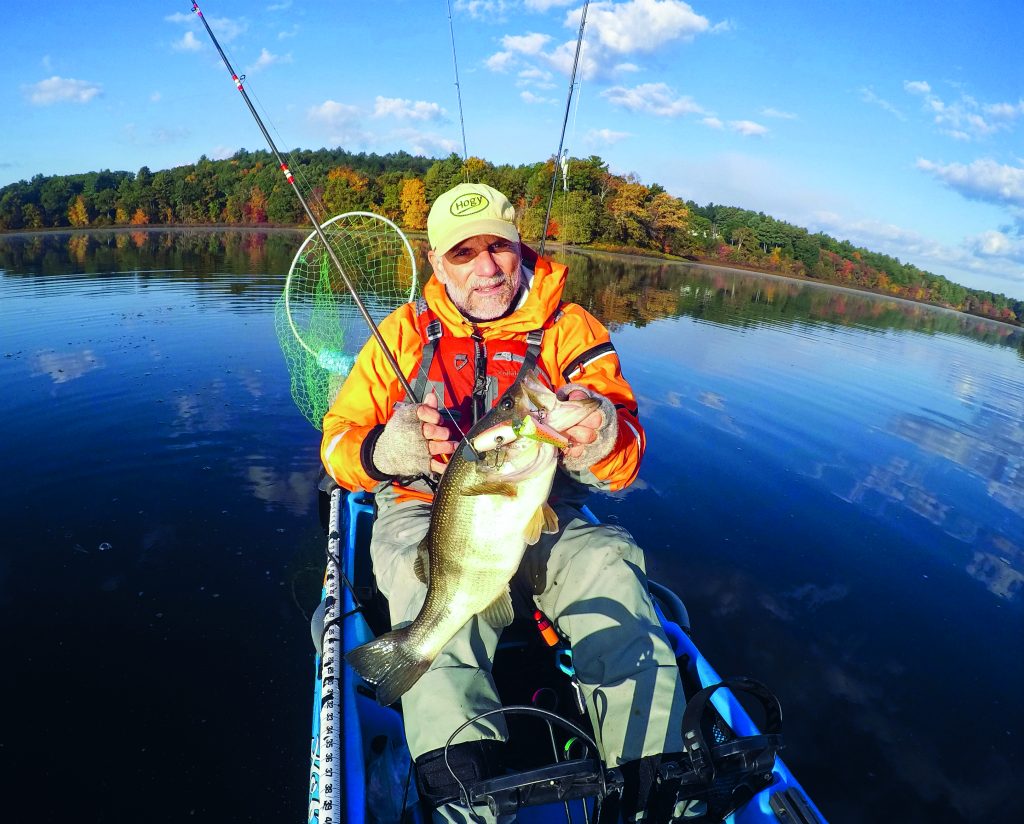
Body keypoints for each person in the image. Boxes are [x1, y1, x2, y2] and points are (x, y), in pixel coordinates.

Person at [321, 182, 686, 822]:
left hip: (540, 507)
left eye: (499, 247)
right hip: (425, 510)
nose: (486, 267)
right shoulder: (399, 335)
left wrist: (599, 433)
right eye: (464, 254)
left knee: (609, 561)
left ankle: (649, 789)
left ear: (520, 248)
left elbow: (623, 457)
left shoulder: (570, 329)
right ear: (437, 263)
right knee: (423, 592)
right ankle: (467, 802)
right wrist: (385, 448)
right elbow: (336, 446)